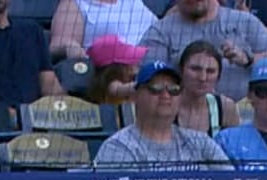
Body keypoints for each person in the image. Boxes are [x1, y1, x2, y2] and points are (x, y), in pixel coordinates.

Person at [94, 60, 232, 170]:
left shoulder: (200, 143)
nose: (165, 95)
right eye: (156, 88)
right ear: (135, 96)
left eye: (173, 89)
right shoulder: (119, 146)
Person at [139, 0, 267, 102]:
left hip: (246, 118)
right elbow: (150, 82)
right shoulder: (160, 32)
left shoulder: (246, 22)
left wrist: (248, 59)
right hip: (184, 120)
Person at [49, 0, 157, 61]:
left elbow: (160, 29)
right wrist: (73, 49)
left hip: (146, 66)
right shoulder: (75, 3)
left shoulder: (133, 2)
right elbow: (58, 43)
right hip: (105, 73)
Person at [174, 40, 239, 136]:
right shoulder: (165, 103)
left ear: (219, 76)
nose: (202, 78)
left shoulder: (226, 108)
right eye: (195, 69)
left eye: (210, 71)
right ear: (181, 70)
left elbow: (234, 148)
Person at [81, 34, 145, 106]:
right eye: (131, 61)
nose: (137, 63)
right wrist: (147, 84)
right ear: (118, 67)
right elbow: (120, 89)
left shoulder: (128, 80)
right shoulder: (112, 85)